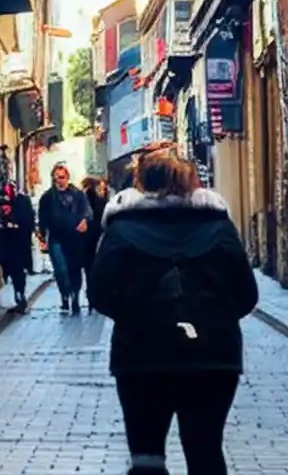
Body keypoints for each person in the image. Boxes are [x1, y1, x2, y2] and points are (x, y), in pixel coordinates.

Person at [88, 150, 257, 475]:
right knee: (206, 450)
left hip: (141, 356)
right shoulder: (219, 226)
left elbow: (99, 293)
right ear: (192, 183)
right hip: (212, 356)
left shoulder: (121, 229)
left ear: (141, 183)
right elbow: (246, 294)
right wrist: (213, 318)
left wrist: (134, 317)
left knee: (147, 457)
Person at [38, 163, 93, 313]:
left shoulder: (78, 195)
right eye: (56, 179)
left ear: (67, 177)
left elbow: (88, 211)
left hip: (75, 238)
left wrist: (84, 220)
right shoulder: (48, 197)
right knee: (61, 269)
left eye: (61, 178)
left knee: (74, 269)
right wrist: (42, 238)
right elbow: (42, 219)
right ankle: (65, 294)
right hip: (56, 238)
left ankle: (74, 296)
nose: (59, 181)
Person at [0, 180, 36, 314]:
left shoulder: (22, 203)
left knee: (18, 271)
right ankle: (19, 296)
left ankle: (20, 296)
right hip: (6, 244)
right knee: (12, 271)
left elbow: (28, 222)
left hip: (19, 243)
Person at [81, 176, 110, 286]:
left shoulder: (83, 198)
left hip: (87, 236)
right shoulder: (96, 199)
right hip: (96, 235)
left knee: (89, 266)